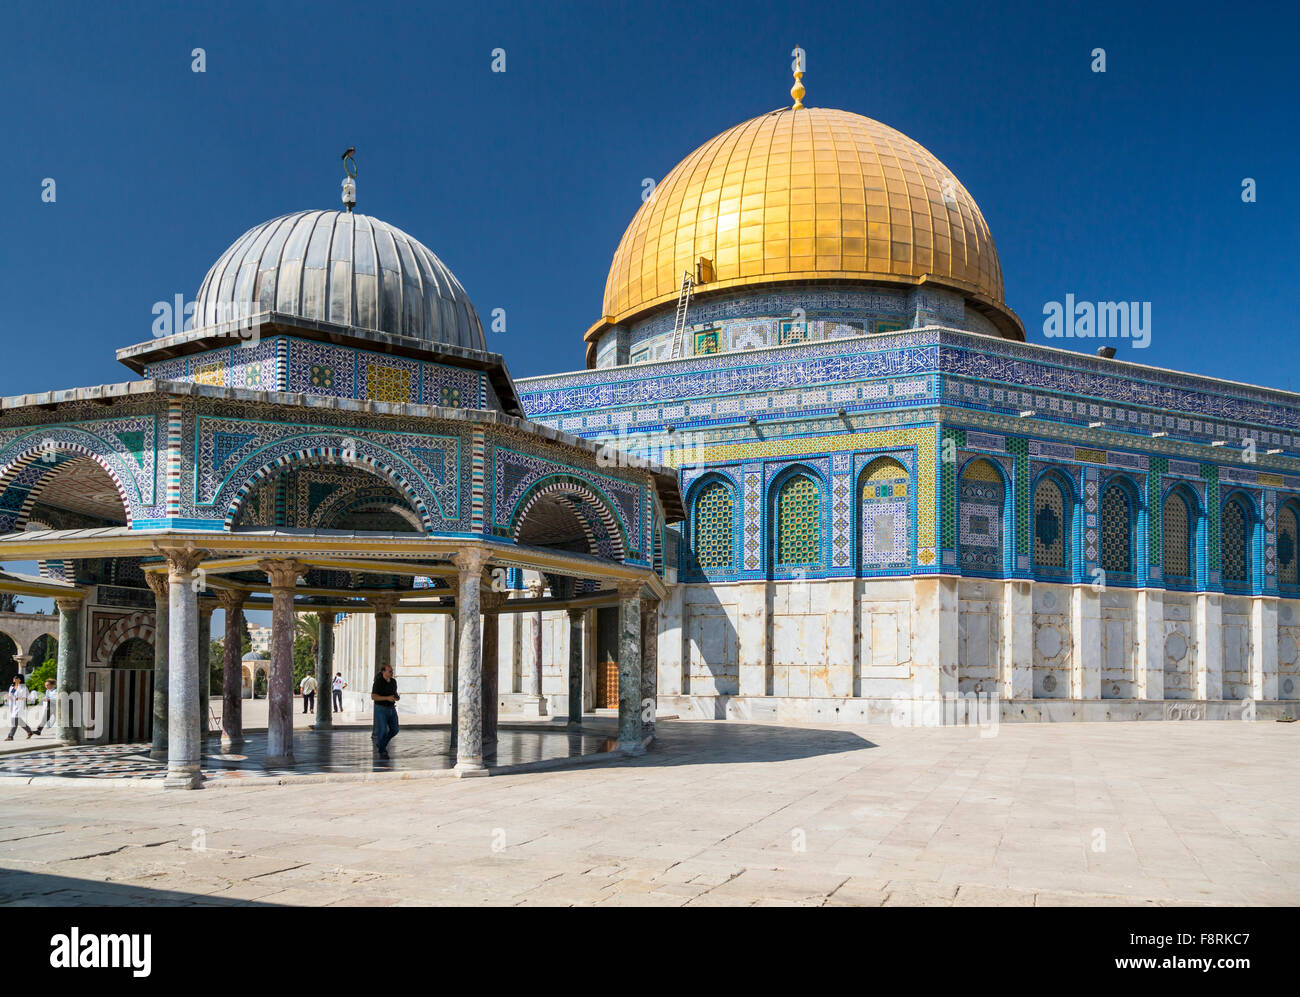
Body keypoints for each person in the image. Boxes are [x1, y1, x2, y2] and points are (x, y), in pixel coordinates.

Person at [370, 664, 400, 758]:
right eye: (390, 671)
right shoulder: (378, 682)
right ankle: (382, 751)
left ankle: (381, 744)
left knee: (395, 729)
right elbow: (373, 696)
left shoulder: (393, 682)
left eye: (392, 671)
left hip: (392, 708)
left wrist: (396, 697)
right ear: (384, 672)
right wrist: (387, 698)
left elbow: (394, 693)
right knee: (382, 730)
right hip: (381, 709)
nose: (391, 673)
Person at [5, 674, 34, 740]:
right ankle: (29, 731)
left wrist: (19, 698)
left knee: (14, 720)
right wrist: (8, 697)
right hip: (13, 706)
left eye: (16, 678)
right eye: (14, 678)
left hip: (20, 706)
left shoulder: (24, 687)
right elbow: (11, 695)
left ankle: (10, 736)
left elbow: (27, 698)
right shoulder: (13, 686)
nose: (14, 679)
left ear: (20, 679)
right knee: (18, 721)